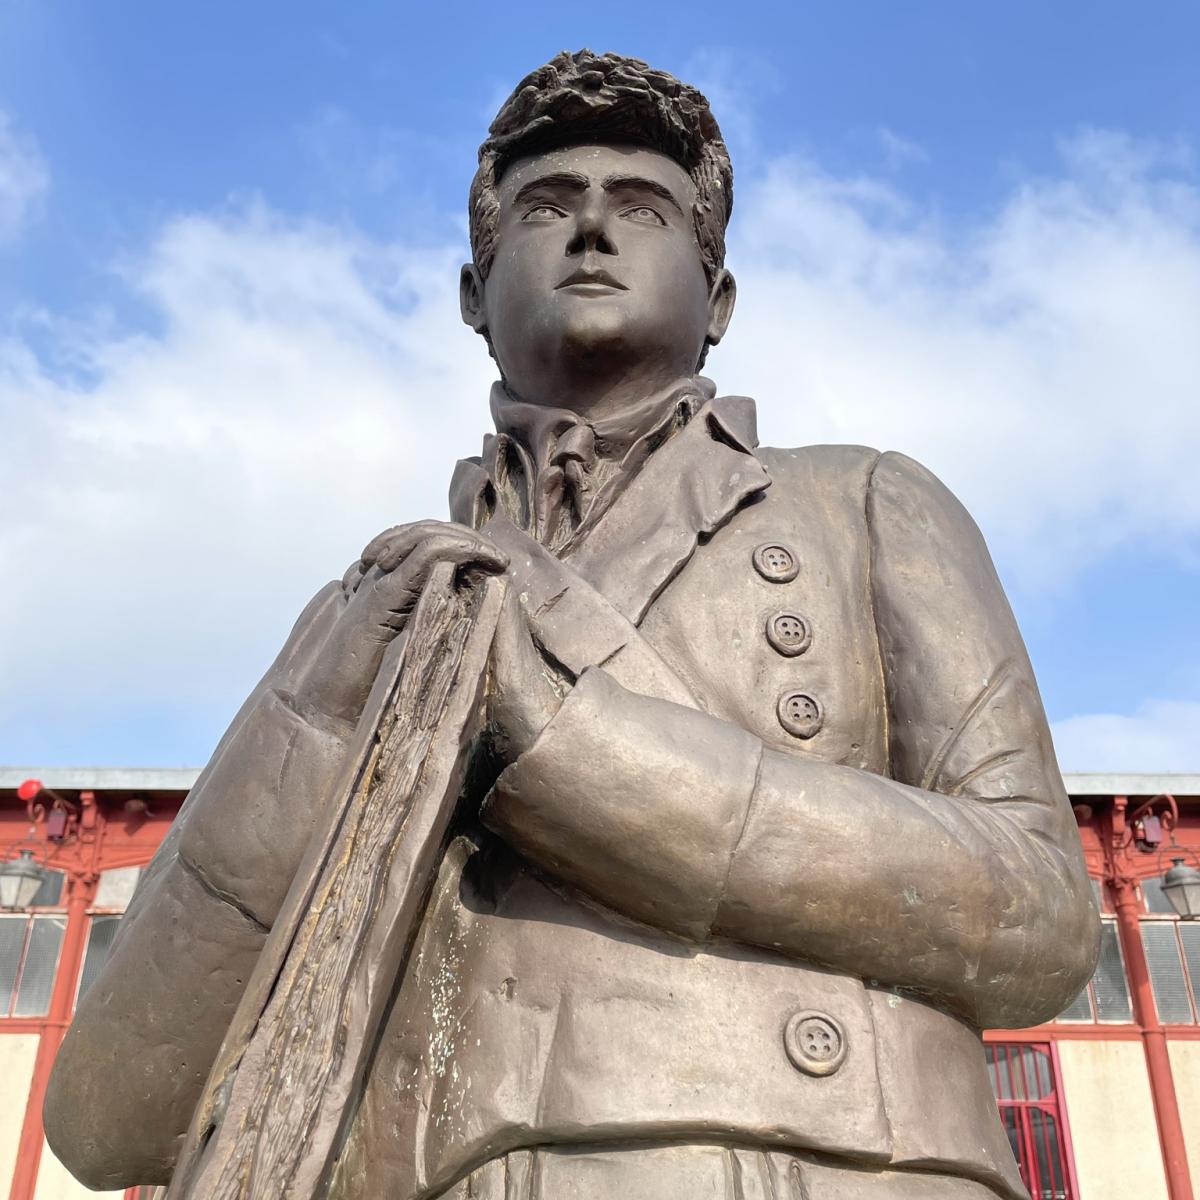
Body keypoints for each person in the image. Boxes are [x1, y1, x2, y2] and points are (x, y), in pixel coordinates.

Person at [45, 50, 1099, 1200]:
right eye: (550, 206)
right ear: (470, 296)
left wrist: (568, 749)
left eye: (641, 209)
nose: (592, 230)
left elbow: (1039, 912)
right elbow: (110, 1116)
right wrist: (324, 701)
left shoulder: (864, 504)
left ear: (721, 302)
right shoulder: (375, 611)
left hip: (825, 1165)